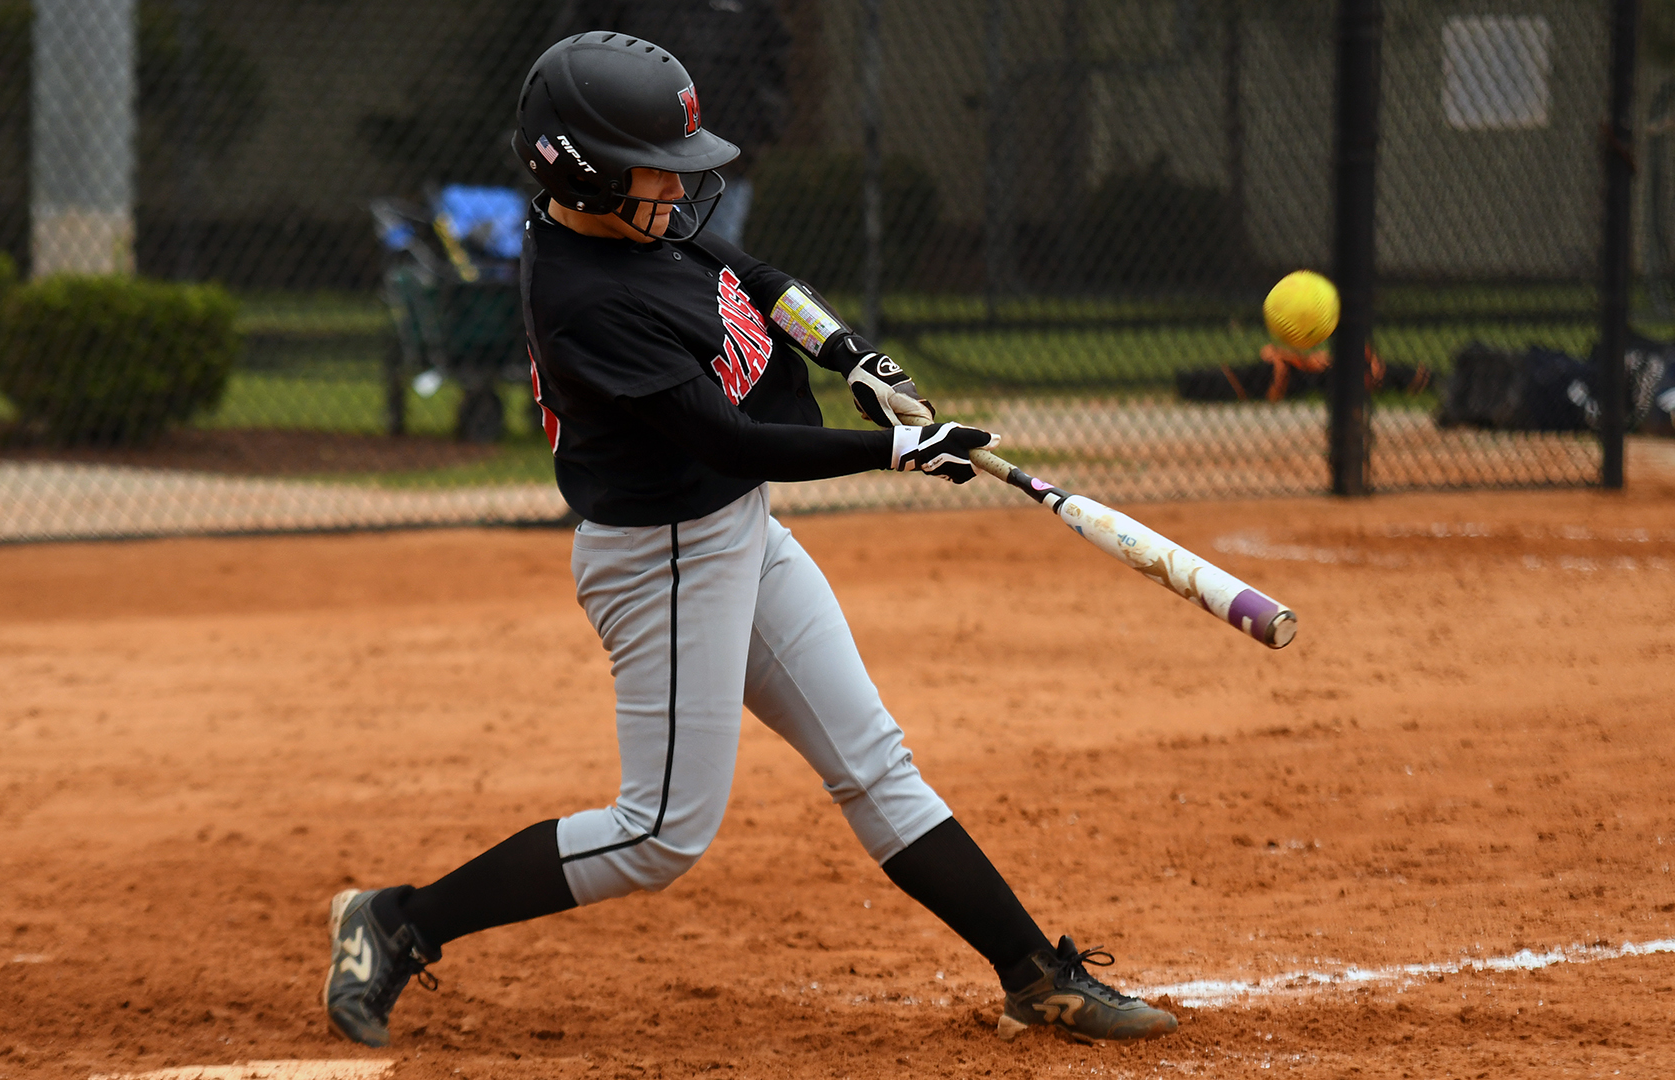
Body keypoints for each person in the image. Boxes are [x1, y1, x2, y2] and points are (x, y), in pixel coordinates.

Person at [320, 33, 1178, 1051]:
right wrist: (897, 448)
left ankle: (1036, 978)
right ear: (582, 171)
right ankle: (398, 921)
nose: (682, 193)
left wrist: (849, 352)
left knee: (874, 762)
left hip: (732, 529)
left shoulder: (639, 226)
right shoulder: (589, 299)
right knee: (658, 834)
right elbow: (730, 437)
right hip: (665, 559)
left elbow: (754, 276)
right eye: (656, 169)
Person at [566, 0, 790, 246]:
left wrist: (758, 132)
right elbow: (579, 50)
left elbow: (774, 60)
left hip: (724, 153)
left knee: (714, 256)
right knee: (629, 247)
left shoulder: (754, 9)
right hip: (638, 155)